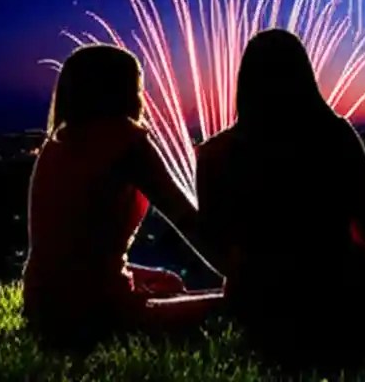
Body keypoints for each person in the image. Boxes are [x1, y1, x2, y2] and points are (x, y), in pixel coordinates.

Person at [197, 29, 365, 361]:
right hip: (352, 296)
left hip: (261, 301)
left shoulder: (216, 152)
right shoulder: (338, 136)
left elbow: (216, 244)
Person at [23, 44, 223, 349]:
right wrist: (237, 270)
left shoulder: (56, 142)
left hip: (41, 301)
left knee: (169, 282)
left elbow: (69, 249)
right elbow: (185, 219)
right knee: (232, 305)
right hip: (95, 310)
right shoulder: (128, 140)